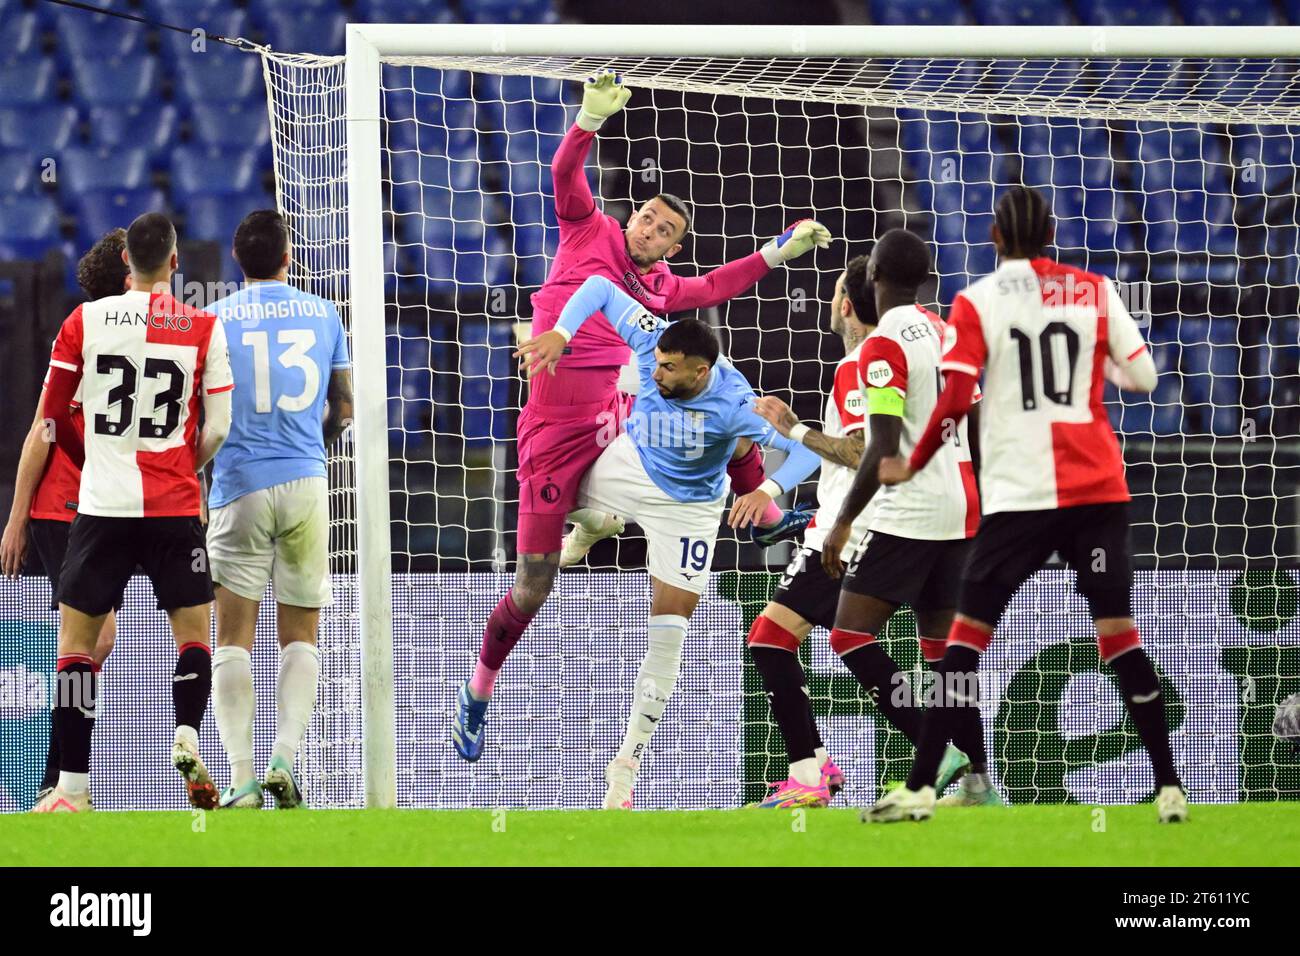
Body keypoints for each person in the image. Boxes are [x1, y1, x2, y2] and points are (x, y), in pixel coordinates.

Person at [452, 70, 831, 762]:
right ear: (633, 218)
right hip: (552, 431)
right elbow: (566, 171)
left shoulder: (659, 289)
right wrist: (588, 121)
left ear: (671, 249)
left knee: (712, 396)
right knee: (533, 587)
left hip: (618, 419)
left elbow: (718, 284)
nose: (651, 229)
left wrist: (778, 251)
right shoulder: (585, 227)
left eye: (665, 231)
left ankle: (744, 509)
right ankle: (479, 689)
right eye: (648, 217)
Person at [865, 186, 1187, 824]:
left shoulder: (977, 301)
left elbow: (957, 401)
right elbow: (1145, 378)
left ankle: (921, 787)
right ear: (1051, 235)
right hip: (1098, 489)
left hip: (1022, 496)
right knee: (1118, 635)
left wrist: (914, 460)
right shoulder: (1095, 290)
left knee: (965, 640)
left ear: (993, 237)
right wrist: (1096, 370)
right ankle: (1170, 788)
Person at [515, 274, 822, 807]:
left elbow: (809, 451)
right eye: (655, 361)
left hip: (689, 508)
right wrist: (563, 333)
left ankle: (624, 769)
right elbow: (596, 288)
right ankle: (594, 523)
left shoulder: (737, 403)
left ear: (702, 372)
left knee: (669, 635)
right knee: (549, 485)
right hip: (629, 464)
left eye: (668, 368)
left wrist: (767, 489)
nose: (655, 373)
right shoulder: (654, 337)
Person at [34, 212, 233, 813]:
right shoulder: (203, 325)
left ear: (126, 261)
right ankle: (188, 735)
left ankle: (70, 788)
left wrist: (91, 455)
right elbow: (218, 427)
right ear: (175, 262)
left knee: (76, 645)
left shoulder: (83, 320)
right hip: (174, 506)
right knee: (195, 635)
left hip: (101, 505)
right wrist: (180, 464)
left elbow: (50, 419)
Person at [206, 210, 353, 809]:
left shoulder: (212, 320)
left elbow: (204, 413)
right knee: (301, 635)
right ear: (289, 256)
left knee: (233, 640)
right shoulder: (323, 313)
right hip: (305, 484)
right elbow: (343, 407)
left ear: (238, 261)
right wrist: (309, 449)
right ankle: (283, 761)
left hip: (238, 483)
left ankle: (241, 778)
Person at [1, 229, 129, 808]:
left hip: (103, 507)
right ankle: (57, 781)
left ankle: (60, 780)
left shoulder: (134, 339)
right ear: (128, 276)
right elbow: (42, 429)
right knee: (94, 636)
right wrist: (17, 517)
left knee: (94, 638)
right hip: (64, 507)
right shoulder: (76, 335)